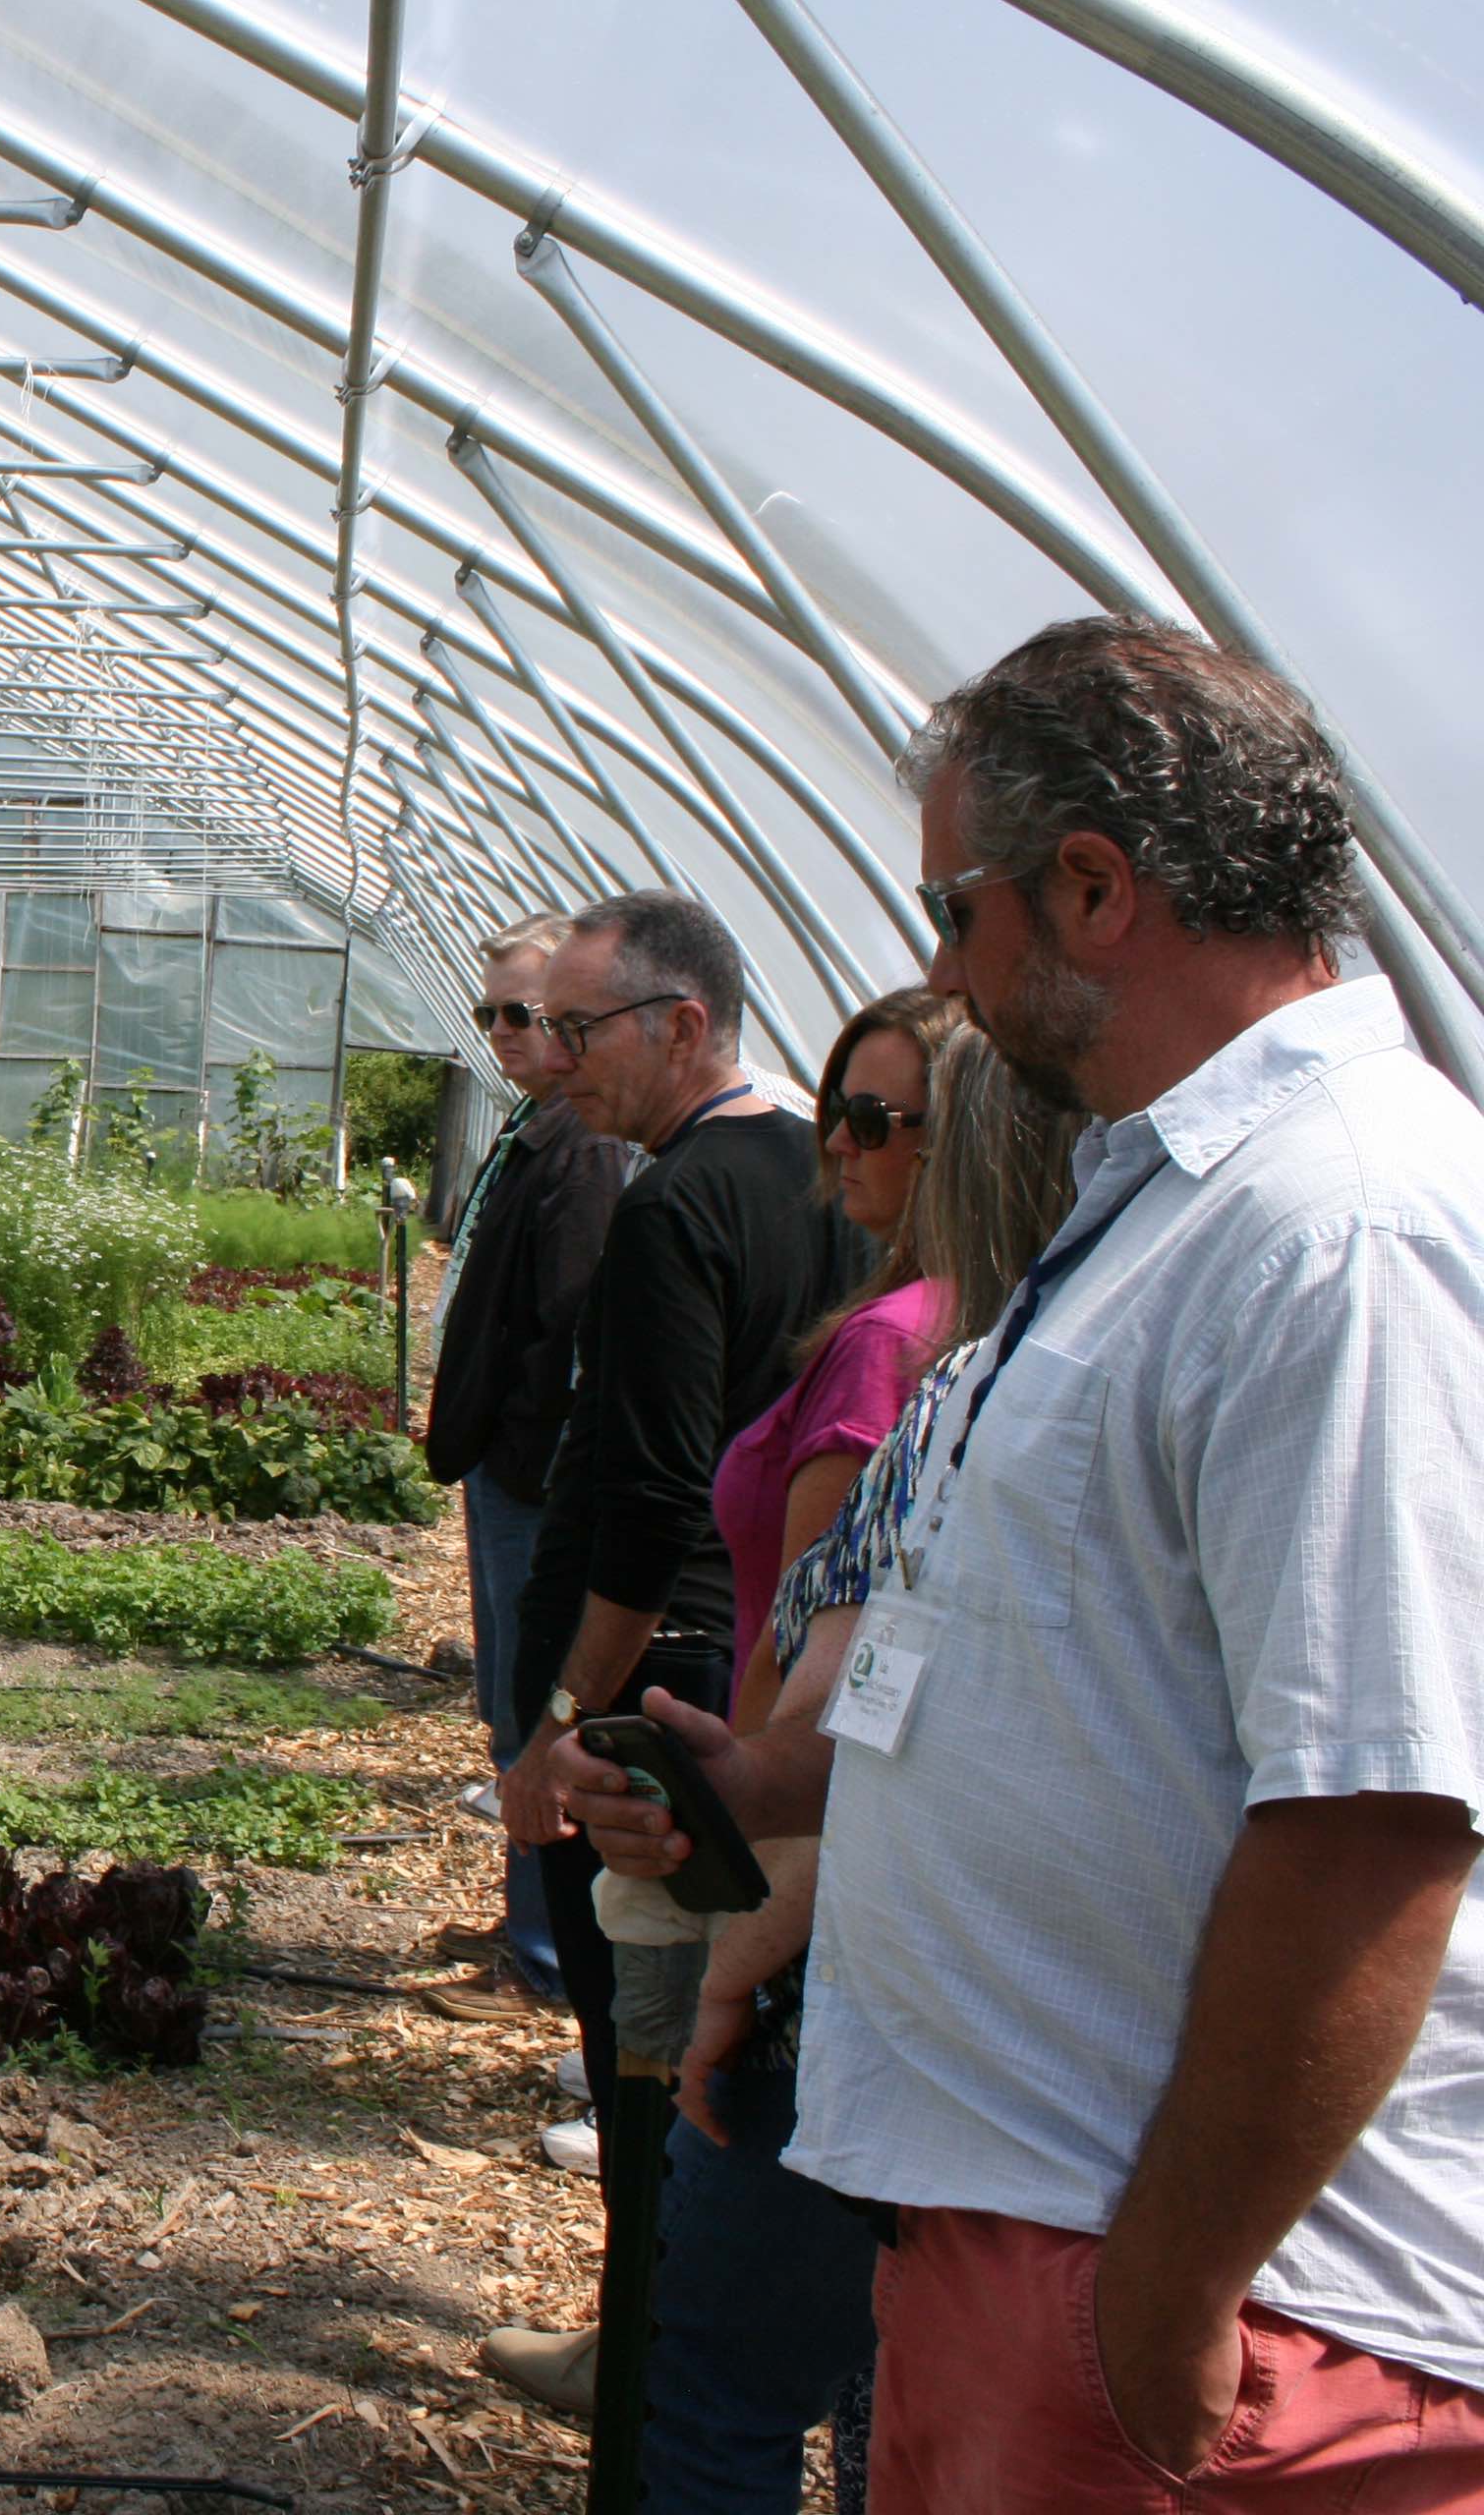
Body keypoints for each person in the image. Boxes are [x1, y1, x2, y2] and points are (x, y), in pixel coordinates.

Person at [572, 617, 1484, 2507]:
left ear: (1091, 889)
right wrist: (768, 1777)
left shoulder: (1343, 1228)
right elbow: (1039, 1665)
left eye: (956, 905)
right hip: (1020, 2230)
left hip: (1194, 2291)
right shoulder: (1164, 1210)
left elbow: (1375, 1816)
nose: (940, 966)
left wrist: (1171, 2284)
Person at [633, 1012, 1080, 2514]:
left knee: (720, 2393)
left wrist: (730, 1967)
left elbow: (854, 1714)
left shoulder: (926, 1366)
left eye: (882, 1121)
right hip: (945, 2014)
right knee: (880, 2409)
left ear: (975, 1152)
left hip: (850, 1972)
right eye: (840, 1108)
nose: (843, 1141)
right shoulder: (985, 1363)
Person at [481, 889, 863, 2418]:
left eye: (581, 1031)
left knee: (646, 2037)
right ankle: (708, 2341)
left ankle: (646, 2351)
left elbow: (647, 1489)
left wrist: (572, 1723)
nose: (558, 1062)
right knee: (733, 2034)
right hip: (757, 1669)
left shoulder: (670, 1209)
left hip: (665, 1693)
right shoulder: (823, 1178)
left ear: (683, 1024)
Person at [422, 914, 635, 2016]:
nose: (505, 1032)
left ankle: (545, 1956)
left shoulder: (585, 1147)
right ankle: (528, 1928)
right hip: (508, 1471)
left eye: (527, 1013)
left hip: (532, 1478)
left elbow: (564, 1326)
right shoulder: (540, 1125)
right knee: (511, 1707)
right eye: (491, 1013)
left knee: (535, 1711)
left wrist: (519, 1449)